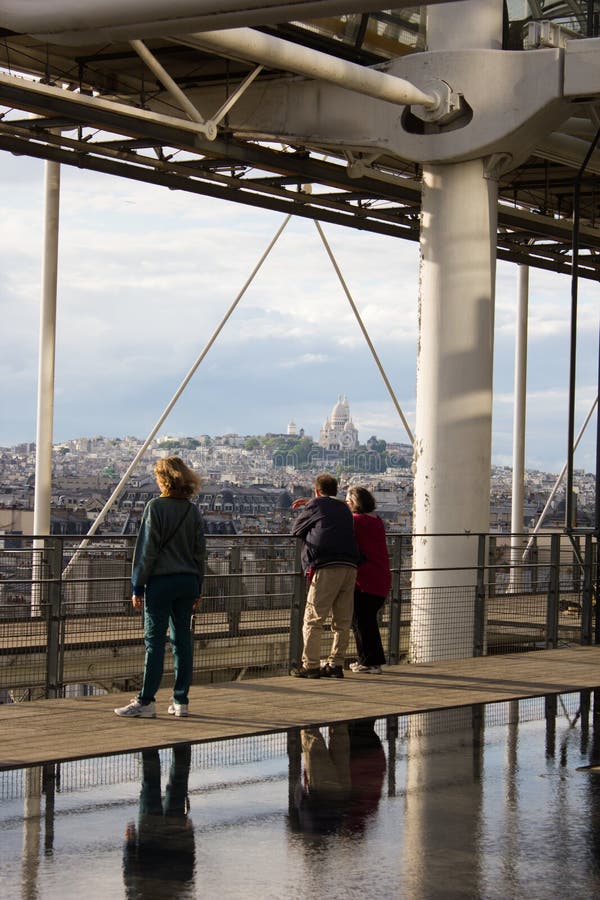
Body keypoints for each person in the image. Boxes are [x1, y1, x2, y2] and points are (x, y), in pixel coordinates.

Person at [115, 456, 206, 718]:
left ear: (163, 479)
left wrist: (137, 586)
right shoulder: (192, 511)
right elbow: (200, 553)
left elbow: (147, 550)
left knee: (154, 643)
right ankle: (181, 701)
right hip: (188, 581)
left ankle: (146, 701)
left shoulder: (155, 507)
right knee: (182, 642)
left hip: (161, 582)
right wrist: (199, 586)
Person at [290, 473, 359, 679]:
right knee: (342, 620)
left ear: (317, 490)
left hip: (327, 565)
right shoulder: (344, 508)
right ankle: (336, 664)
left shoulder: (316, 504)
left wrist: (311, 504)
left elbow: (296, 530)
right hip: (350, 565)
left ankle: (310, 665)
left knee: (314, 618)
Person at [123, 743, 196, 898]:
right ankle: (150, 740)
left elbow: (186, 875)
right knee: (151, 783)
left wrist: (189, 837)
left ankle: (180, 742)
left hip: (170, 838)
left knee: (178, 782)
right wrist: (129, 844)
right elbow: (131, 880)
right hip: (149, 838)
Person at [345, 486, 391, 674]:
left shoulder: (357, 521)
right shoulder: (376, 520)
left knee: (361, 622)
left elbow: (336, 521)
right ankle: (372, 661)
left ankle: (368, 662)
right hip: (380, 577)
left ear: (353, 503)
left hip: (365, 579)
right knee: (367, 622)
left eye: (347, 501)